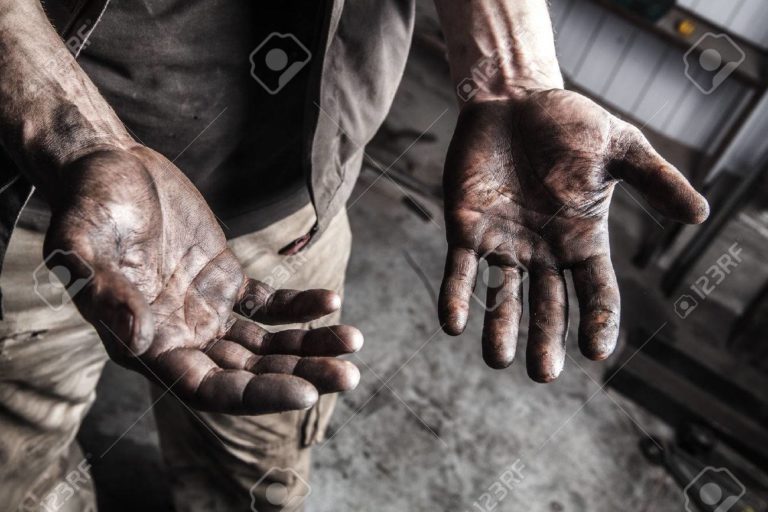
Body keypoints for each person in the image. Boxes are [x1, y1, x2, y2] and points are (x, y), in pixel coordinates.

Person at [0, 0, 709, 510]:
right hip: (44, 199)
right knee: (21, 478)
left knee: (255, 473)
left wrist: (512, 79)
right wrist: (79, 141)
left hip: (296, 200)